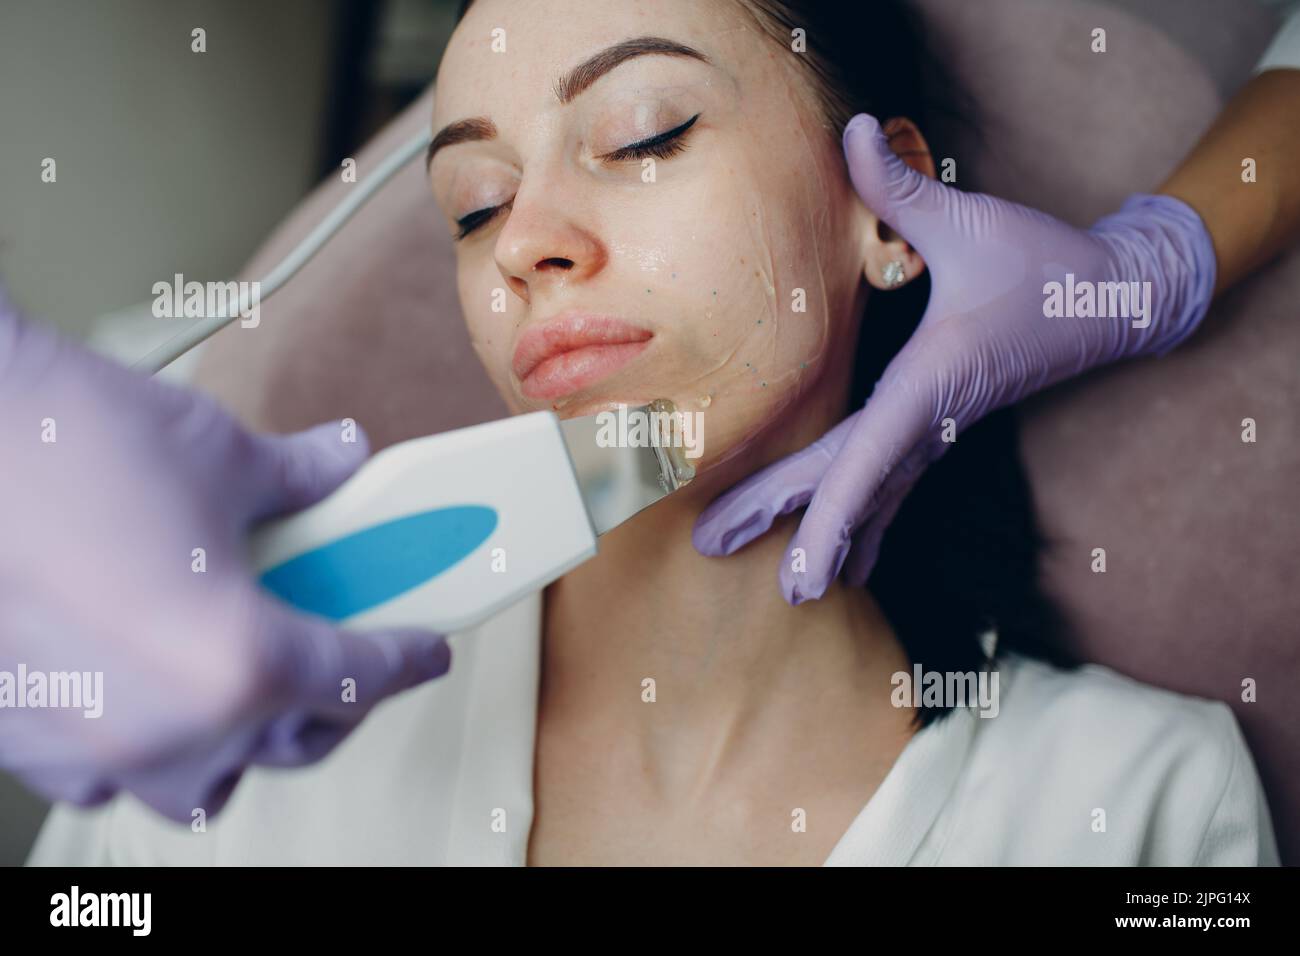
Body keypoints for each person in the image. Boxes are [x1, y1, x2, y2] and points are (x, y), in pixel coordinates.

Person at [28, 0, 1278, 865]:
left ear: (891, 211)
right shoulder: (252, 714)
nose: (523, 243)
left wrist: (1157, 261)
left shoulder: (1137, 801)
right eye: (473, 205)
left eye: (643, 134)